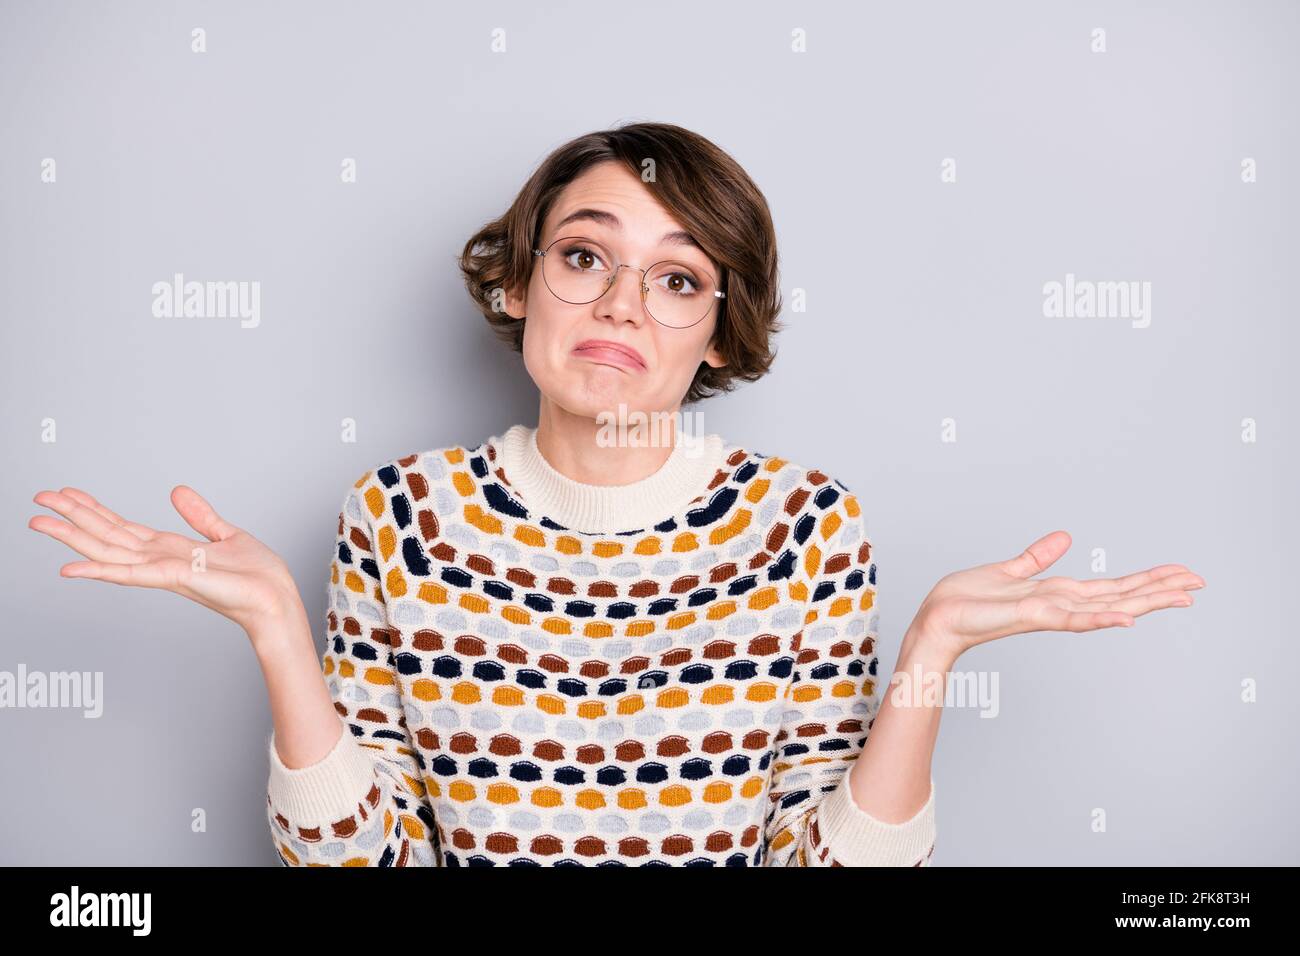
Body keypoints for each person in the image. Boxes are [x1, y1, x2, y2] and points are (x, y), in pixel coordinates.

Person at [29, 121, 1205, 867]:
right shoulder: (395, 512)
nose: (622, 306)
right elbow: (365, 863)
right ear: (516, 284)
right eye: (586, 255)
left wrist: (935, 647)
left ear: (718, 334)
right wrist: (281, 637)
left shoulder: (806, 524)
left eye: (679, 277)